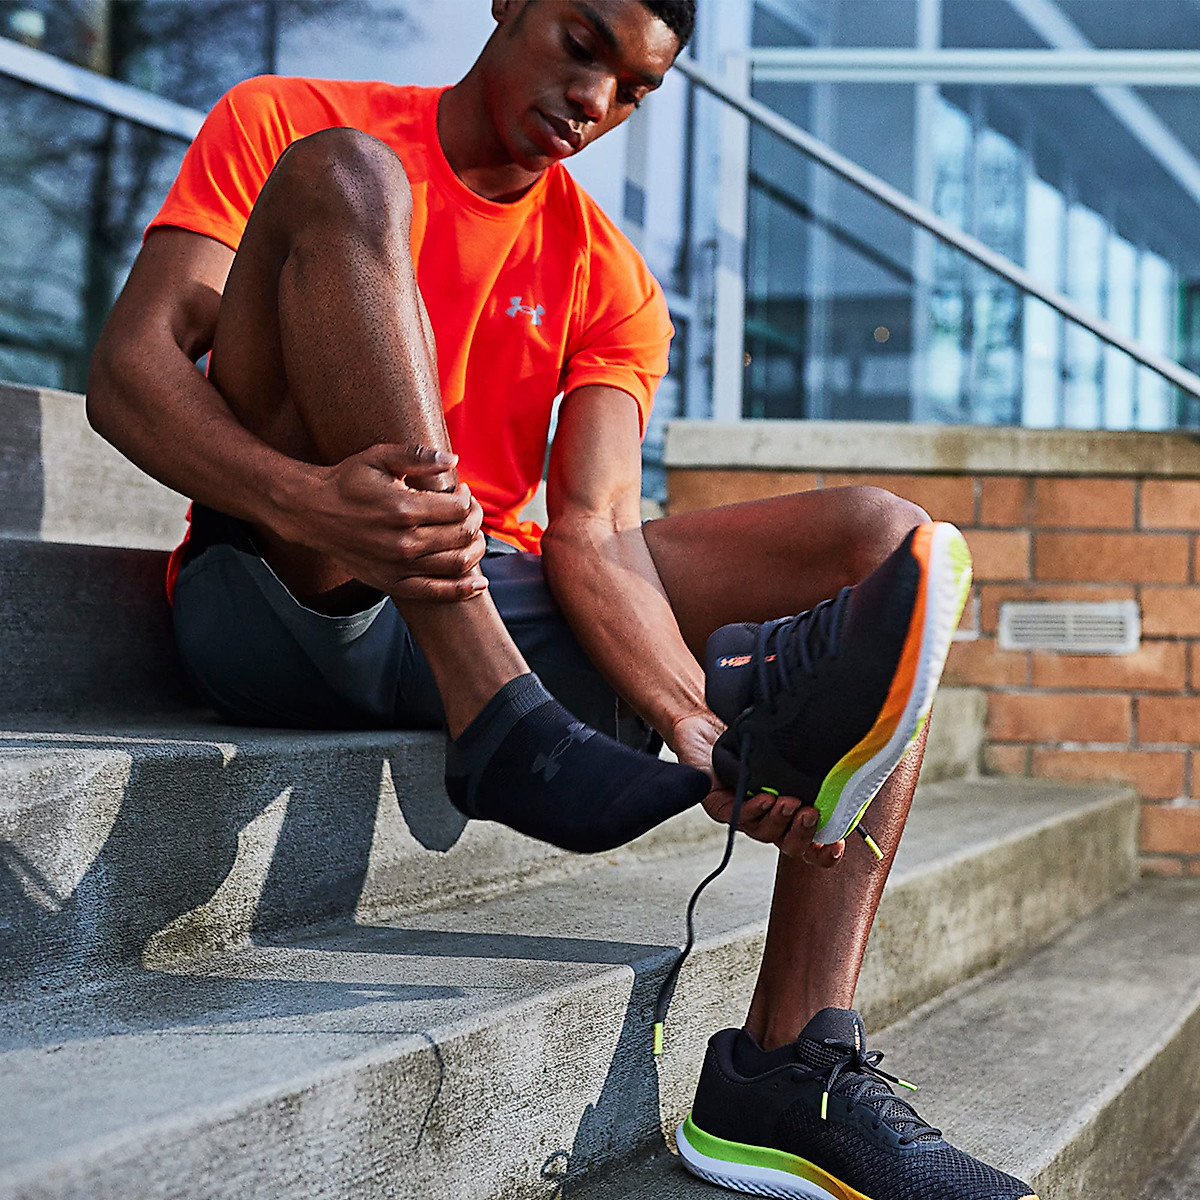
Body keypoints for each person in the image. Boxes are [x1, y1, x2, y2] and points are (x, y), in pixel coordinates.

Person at [86, 2, 1036, 1198]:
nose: (596, 101)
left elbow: (595, 532)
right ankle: (500, 711)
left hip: (500, 588)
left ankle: (791, 1067)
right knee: (347, 175)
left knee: (893, 548)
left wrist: (694, 723)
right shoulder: (291, 119)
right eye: (582, 46)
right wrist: (310, 501)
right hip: (288, 579)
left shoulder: (611, 276)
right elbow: (130, 370)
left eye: (633, 89)